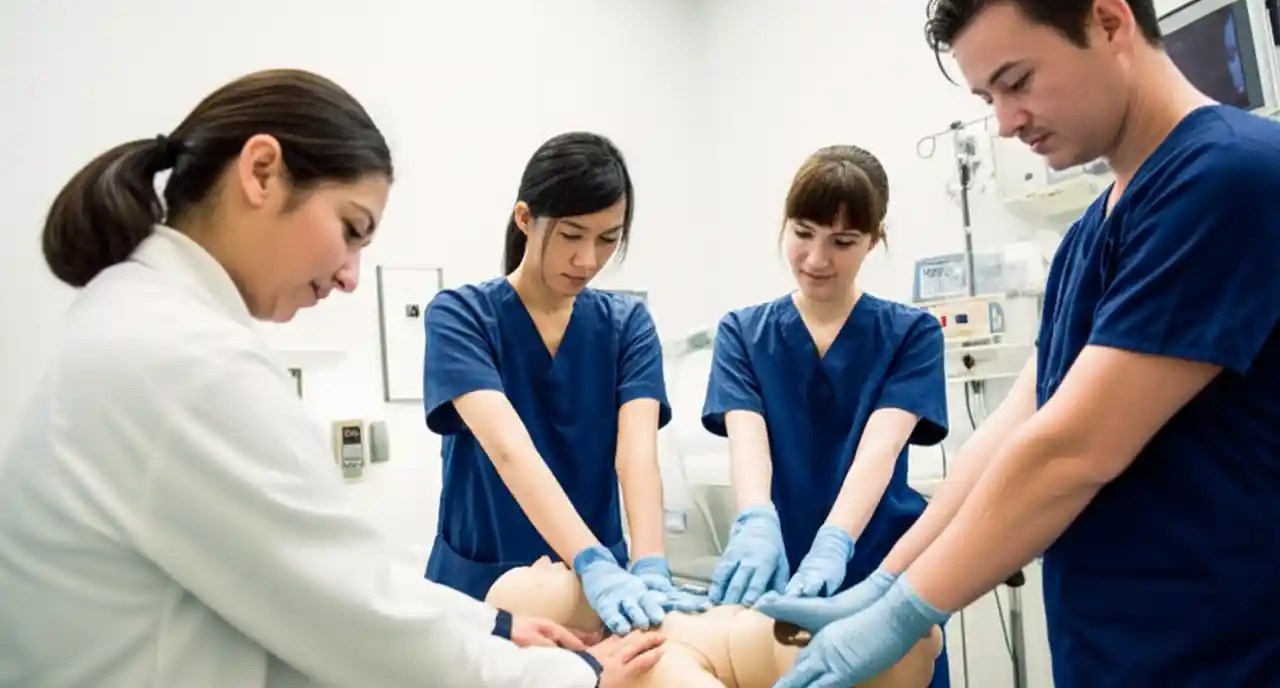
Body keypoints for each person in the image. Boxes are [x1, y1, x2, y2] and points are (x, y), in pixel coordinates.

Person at [0, 69, 663, 688]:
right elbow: (357, 616)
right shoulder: (183, 359)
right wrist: (582, 673)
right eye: (351, 230)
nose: (350, 276)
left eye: (608, 239)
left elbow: (340, 576)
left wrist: (494, 626)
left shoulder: (149, 323)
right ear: (262, 172)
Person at [754, 0, 1280, 686]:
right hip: (1111, 650)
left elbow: (1074, 450)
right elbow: (1021, 422)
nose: (1004, 121)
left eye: (1017, 80)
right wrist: (884, 581)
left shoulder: (1228, 178)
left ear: (1110, 24)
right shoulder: (1090, 234)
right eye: (987, 97)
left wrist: (908, 609)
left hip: (1221, 652)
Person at [699, 145, 951, 685]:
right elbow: (748, 441)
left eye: (842, 242)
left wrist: (834, 544)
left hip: (884, 575)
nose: (816, 259)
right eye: (803, 232)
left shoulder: (912, 334)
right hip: (780, 577)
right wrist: (755, 521)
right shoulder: (743, 333)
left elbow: (878, 451)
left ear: (873, 240)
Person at [422, 131, 691, 637]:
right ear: (525, 219)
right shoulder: (462, 317)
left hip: (599, 599)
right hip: (486, 588)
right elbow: (509, 451)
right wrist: (589, 561)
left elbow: (636, 458)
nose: (588, 260)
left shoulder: (626, 326)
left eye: (609, 238)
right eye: (571, 236)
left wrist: (650, 565)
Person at [484, 557, 943, 688]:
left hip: (854, 628)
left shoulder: (643, 610)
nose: (546, 558)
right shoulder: (641, 661)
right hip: (827, 665)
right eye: (533, 573)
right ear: (556, 637)